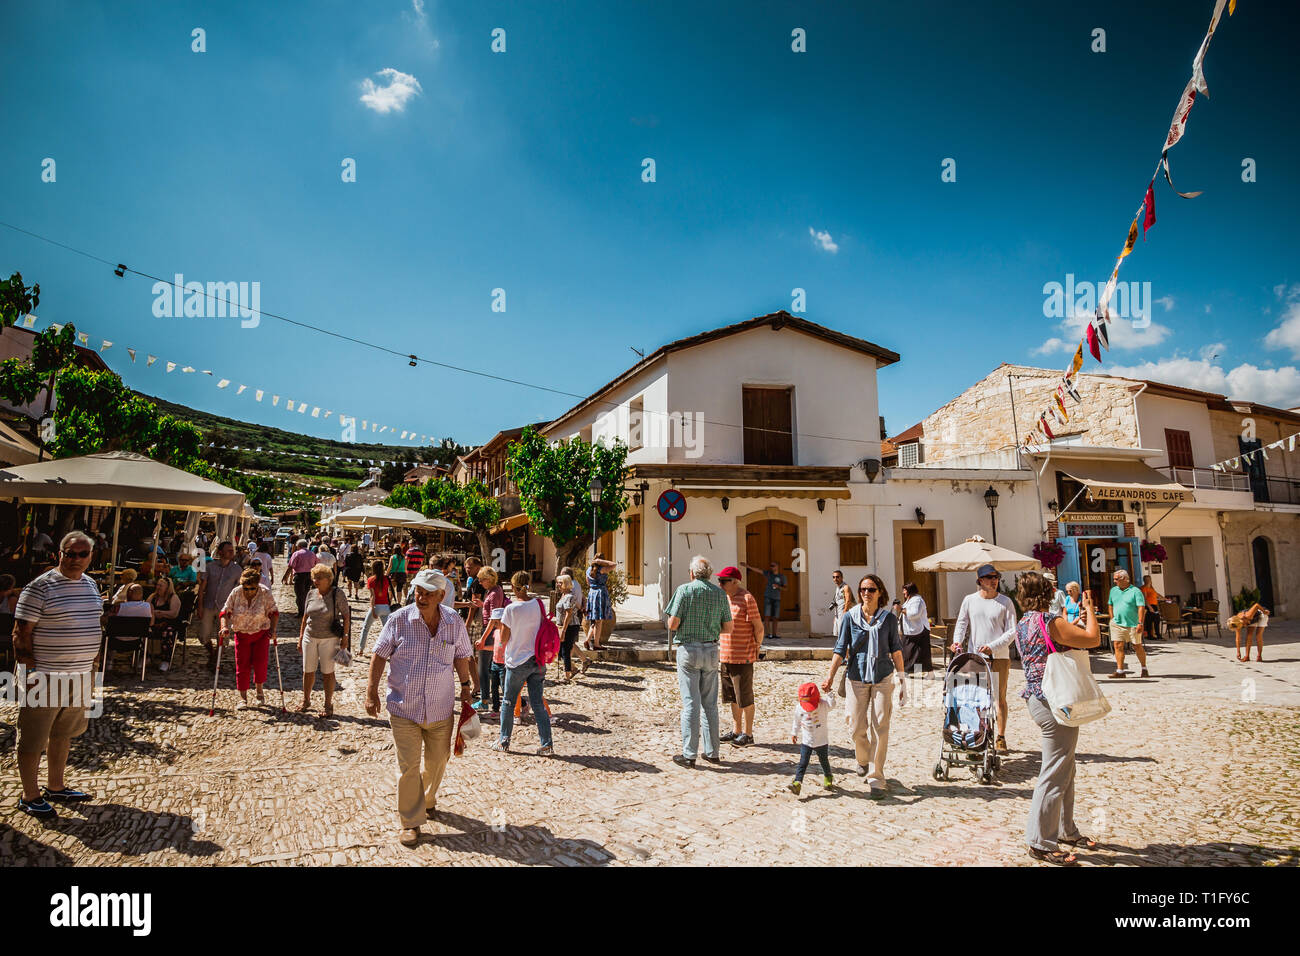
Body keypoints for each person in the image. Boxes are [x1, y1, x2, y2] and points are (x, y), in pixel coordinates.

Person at [979, 571, 1101, 865]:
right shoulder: (1049, 621)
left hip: (1038, 698)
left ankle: (1065, 829)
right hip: (1054, 699)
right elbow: (1093, 639)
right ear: (1048, 593)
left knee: (1065, 767)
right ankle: (1040, 842)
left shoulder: (1024, 622)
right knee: (1055, 771)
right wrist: (1089, 610)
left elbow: (1052, 644)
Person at [366, 567, 474, 847]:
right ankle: (411, 822)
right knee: (409, 767)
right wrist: (371, 692)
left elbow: (462, 655)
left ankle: (426, 799)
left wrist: (466, 685)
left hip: (440, 708)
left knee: (438, 761)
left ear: (441, 595)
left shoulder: (453, 621)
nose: (421, 597)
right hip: (404, 707)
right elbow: (379, 656)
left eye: (427, 593)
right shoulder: (399, 620)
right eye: (418, 592)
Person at [12, 532, 102, 818]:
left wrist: (93, 665)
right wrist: (30, 673)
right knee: (33, 738)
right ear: (59, 554)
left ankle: (56, 786)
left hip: (80, 675)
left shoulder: (90, 584)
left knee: (64, 734)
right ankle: (30, 794)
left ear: (91, 557)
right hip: (45, 675)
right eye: (69, 553)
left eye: (81, 554)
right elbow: (20, 634)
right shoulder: (39, 587)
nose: (75, 559)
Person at [823, 573, 905, 795]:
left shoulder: (888, 619)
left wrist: (902, 677)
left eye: (871, 590)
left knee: (881, 726)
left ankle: (876, 776)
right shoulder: (850, 617)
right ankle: (862, 758)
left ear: (880, 593)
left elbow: (896, 649)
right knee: (856, 725)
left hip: (882, 677)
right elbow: (840, 648)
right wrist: (830, 676)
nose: (866, 593)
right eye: (862, 590)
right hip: (856, 677)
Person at [665, 556, 732, 768]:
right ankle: (712, 752)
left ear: (692, 573)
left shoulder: (684, 590)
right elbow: (728, 628)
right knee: (710, 704)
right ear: (710, 574)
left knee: (691, 703)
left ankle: (689, 754)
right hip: (712, 649)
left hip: (689, 649)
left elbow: (673, 624)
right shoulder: (720, 594)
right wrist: (710, 629)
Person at [951, 564, 1017, 753]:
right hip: (976, 657)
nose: (994, 580)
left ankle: (1001, 737)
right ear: (980, 581)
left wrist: (993, 646)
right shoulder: (970, 600)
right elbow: (962, 623)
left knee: (999, 698)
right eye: (989, 577)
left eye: (996, 577)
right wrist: (957, 642)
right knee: (976, 698)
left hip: (999, 656)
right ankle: (978, 732)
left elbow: (1012, 631)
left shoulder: (1006, 602)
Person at [492, 571, 555, 755]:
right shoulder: (538, 603)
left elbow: (503, 638)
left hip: (517, 660)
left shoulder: (511, 609)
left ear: (513, 587)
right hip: (537, 659)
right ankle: (547, 744)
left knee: (508, 702)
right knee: (537, 703)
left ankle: (504, 741)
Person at [219, 567, 280, 709]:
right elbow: (225, 611)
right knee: (242, 665)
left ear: (257, 585)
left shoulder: (264, 592)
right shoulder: (236, 592)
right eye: (246, 588)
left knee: (260, 663)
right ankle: (242, 697)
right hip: (242, 634)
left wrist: (273, 630)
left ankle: (259, 692)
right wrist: (224, 627)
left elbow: (274, 612)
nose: (248, 591)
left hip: (261, 632)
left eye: (252, 588)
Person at [716, 565, 763, 746]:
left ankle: (748, 734)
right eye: (719, 580)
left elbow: (758, 627)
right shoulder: (724, 599)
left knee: (745, 697)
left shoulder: (747, 598)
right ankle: (736, 731)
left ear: (735, 581)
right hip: (726, 655)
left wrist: (757, 647)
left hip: (743, 655)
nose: (720, 584)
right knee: (732, 697)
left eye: (723, 581)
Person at [298, 564, 350, 717]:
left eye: (319, 578)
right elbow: (305, 616)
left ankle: (328, 704)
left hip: (329, 638)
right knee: (308, 670)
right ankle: (306, 700)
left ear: (329, 579)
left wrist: (345, 637)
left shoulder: (337, 594)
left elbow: (346, 616)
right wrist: (301, 636)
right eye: (314, 577)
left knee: (327, 672)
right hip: (310, 636)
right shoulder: (311, 594)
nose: (316, 580)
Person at [197, 541, 241, 666]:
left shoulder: (237, 569)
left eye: (232, 550)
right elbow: (202, 587)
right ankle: (212, 654)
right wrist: (199, 606)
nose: (232, 552)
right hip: (209, 605)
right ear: (220, 552)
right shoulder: (210, 567)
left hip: (226, 608)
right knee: (203, 634)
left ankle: (215, 661)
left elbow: (238, 591)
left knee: (223, 636)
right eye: (229, 550)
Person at [788, 681, 835, 794]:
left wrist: (829, 692)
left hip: (822, 741)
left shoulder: (823, 704)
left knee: (824, 761)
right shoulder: (799, 707)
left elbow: (832, 704)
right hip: (806, 742)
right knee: (802, 763)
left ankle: (828, 778)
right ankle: (797, 783)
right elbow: (797, 721)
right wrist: (794, 733)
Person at [474, 567, 507, 711]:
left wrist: (482, 638)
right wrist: (483, 605)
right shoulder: (496, 590)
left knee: (483, 668)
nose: (480, 583)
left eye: (482, 580)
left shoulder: (493, 593)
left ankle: (484, 700)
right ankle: (489, 699)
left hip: (489, 630)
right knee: (490, 667)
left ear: (489, 579)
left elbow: (494, 617)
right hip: (491, 629)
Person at [1108, 569, 1148, 679]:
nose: (1115, 581)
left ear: (1125, 579)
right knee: (1118, 645)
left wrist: (1140, 622)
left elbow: (1141, 607)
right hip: (1117, 623)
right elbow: (1110, 604)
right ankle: (1120, 671)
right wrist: (1112, 618)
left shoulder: (1135, 591)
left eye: (1117, 579)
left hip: (1133, 624)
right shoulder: (1113, 590)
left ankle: (1144, 668)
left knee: (1137, 646)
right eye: (1114, 579)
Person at [553, 573, 589, 681]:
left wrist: (563, 630)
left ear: (565, 584)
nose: (557, 585)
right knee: (560, 650)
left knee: (565, 650)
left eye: (560, 583)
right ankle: (572, 669)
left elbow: (569, 614)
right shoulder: (563, 596)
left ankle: (567, 675)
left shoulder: (569, 597)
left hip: (570, 626)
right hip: (563, 626)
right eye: (557, 582)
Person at [898, 582, 934, 674]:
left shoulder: (917, 600)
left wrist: (901, 609)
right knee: (911, 651)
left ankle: (907, 671)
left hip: (919, 630)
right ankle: (926, 672)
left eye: (905, 590)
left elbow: (914, 614)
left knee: (919, 652)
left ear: (910, 590)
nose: (903, 592)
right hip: (911, 630)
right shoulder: (910, 600)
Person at [148, 574, 182, 671]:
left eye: (160, 586)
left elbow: (174, 614)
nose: (158, 587)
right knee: (144, 629)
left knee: (168, 632)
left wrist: (160, 613)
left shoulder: (173, 598)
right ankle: (146, 656)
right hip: (153, 622)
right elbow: (146, 608)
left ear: (167, 588)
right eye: (157, 585)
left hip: (169, 623)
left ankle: (165, 660)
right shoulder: (153, 597)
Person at [359, 559, 392, 657]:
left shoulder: (371, 580)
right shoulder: (387, 579)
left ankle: (361, 649)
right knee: (389, 631)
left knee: (366, 628)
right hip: (386, 607)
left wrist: (373, 610)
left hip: (376, 606)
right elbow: (390, 593)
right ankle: (391, 650)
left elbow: (372, 596)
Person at [584, 554, 616, 653]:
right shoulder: (602, 570)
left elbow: (588, 583)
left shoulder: (588, 570)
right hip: (600, 594)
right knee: (599, 620)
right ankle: (596, 644)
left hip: (592, 593)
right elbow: (614, 564)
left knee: (595, 620)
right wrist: (601, 562)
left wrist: (596, 561)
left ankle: (588, 640)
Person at [283, 539, 316, 616]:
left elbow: (291, 566)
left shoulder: (297, 554)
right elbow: (316, 564)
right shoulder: (312, 554)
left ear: (299, 546)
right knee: (306, 593)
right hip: (309, 575)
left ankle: (301, 612)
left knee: (299, 594)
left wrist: (285, 576)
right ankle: (306, 611)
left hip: (300, 576)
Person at [760, 561, 787, 640]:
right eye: (770, 566)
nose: (771, 567)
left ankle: (774, 634)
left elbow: (785, 588)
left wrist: (778, 587)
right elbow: (758, 570)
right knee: (767, 616)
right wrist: (747, 566)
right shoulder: (768, 574)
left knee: (775, 617)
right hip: (768, 597)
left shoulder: (782, 577)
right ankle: (768, 634)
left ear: (777, 566)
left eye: (773, 566)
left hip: (777, 598)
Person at [830, 569, 853, 639]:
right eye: (833, 577)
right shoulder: (838, 588)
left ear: (842, 577)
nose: (835, 579)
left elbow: (848, 600)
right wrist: (835, 616)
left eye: (837, 577)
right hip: (838, 614)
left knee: (844, 633)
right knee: (839, 633)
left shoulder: (845, 587)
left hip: (843, 613)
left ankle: (844, 648)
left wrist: (844, 613)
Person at [1140, 577, 1163, 641]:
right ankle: (1150, 635)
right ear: (1144, 580)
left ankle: (1158, 634)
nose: (1148, 581)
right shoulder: (1143, 588)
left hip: (1154, 605)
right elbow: (1144, 599)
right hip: (1149, 606)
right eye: (1146, 579)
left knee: (1157, 619)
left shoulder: (1151, 588)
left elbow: (1157, 595)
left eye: (1149, 579)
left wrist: (1164, 599)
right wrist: (1150, 607)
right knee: (1149, 621)